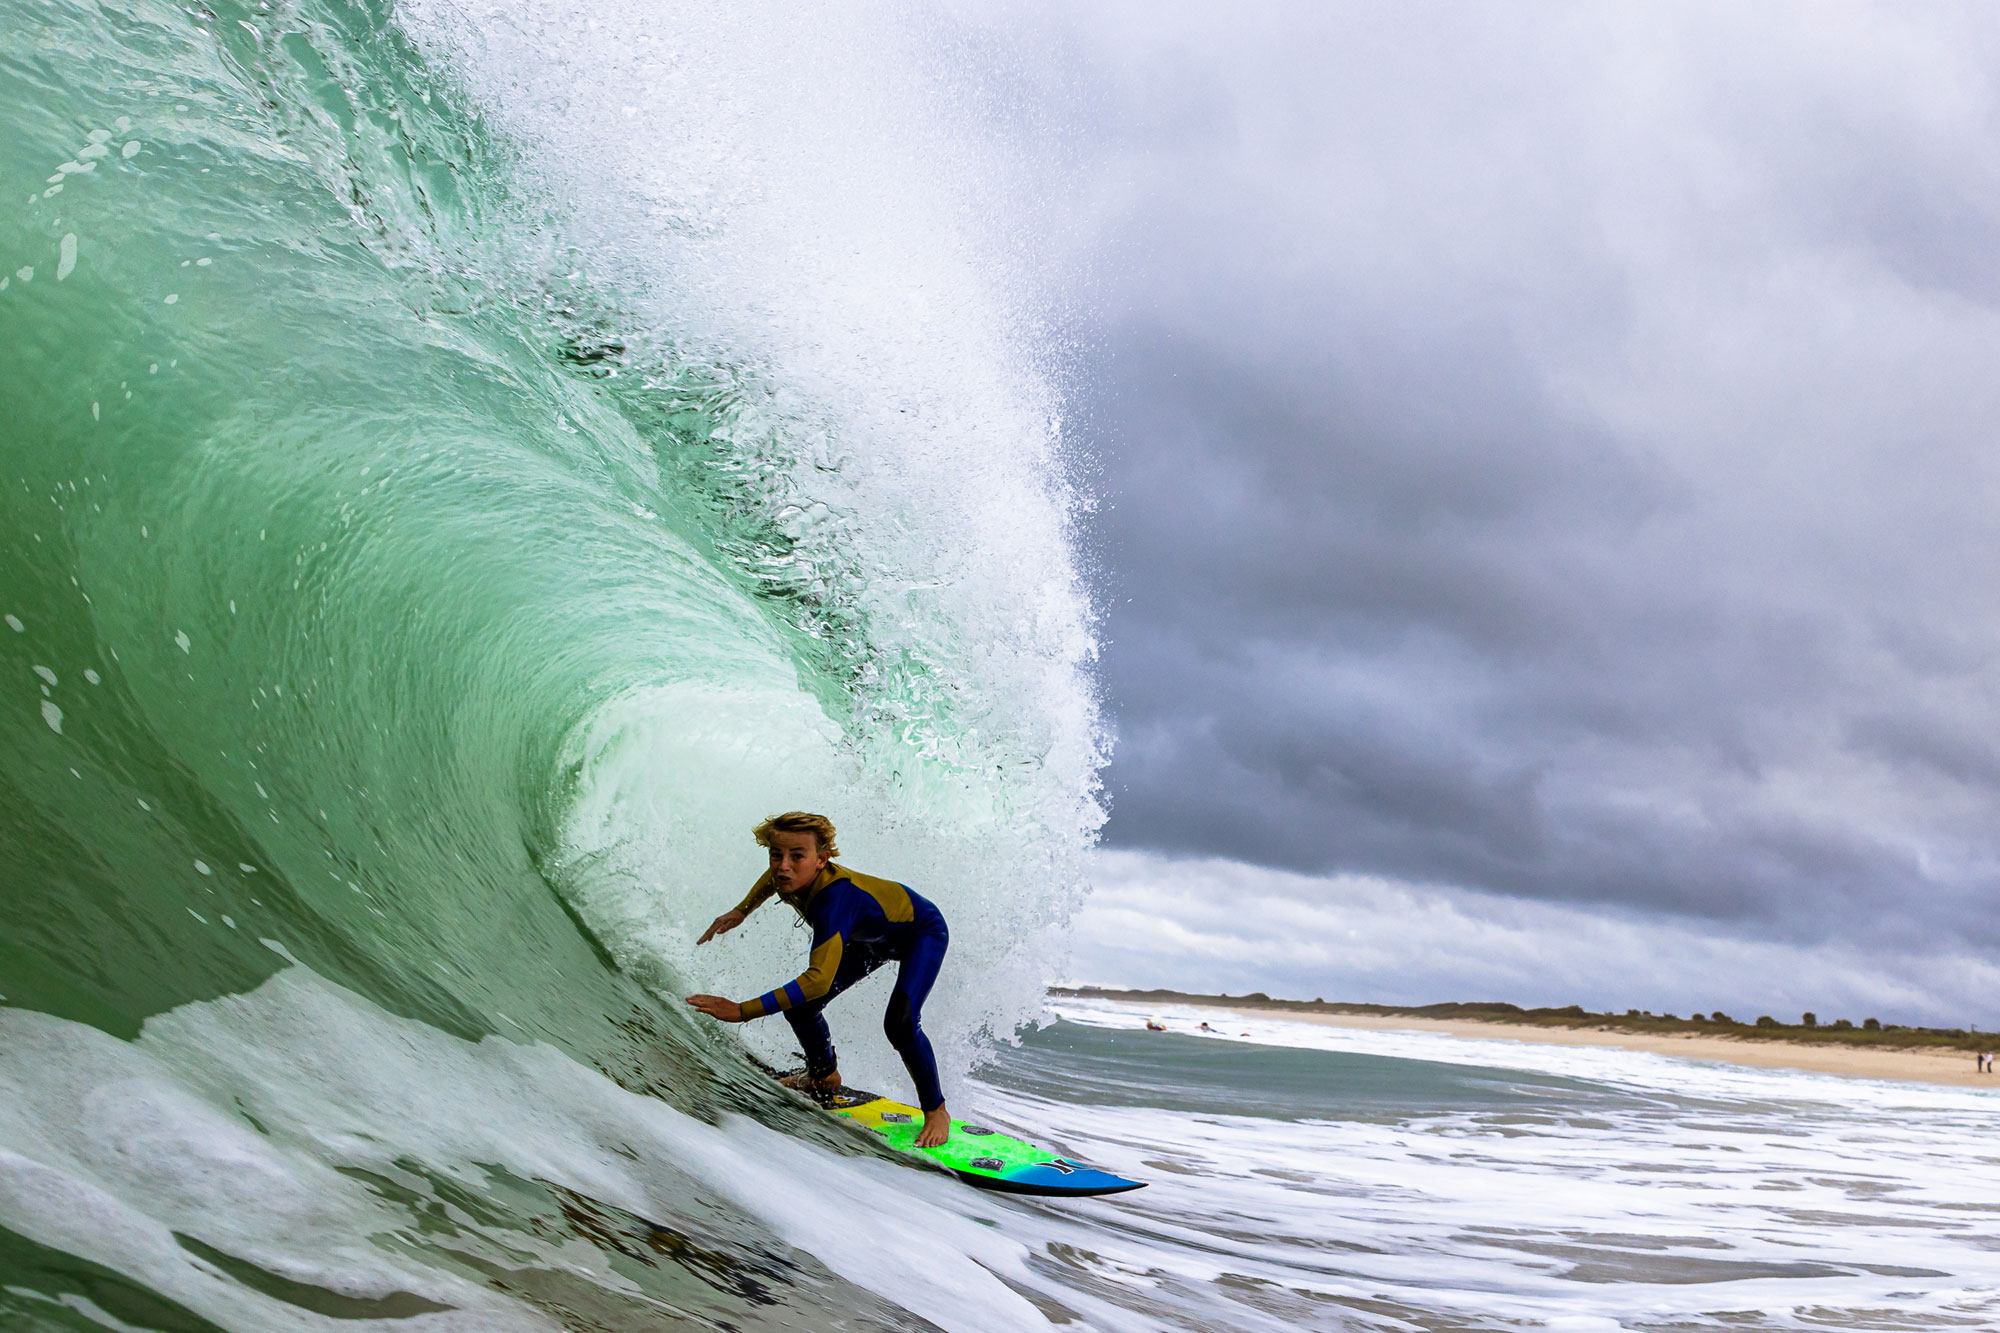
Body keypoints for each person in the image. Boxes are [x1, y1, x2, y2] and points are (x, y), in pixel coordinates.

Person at [685, 812, 954, 1148]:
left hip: (921, 933)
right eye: (775, 854)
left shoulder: (833, 901)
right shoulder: (790, 875)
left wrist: (741, 1010)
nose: (783, 866)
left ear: (822, 860)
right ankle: (823, 1076)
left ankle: (936, 1110)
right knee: (801, 1009)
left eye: (797, 856)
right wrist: (742, 910)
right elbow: (774, 878)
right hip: (871, 938)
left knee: (899, 1024)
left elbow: (817, 980)